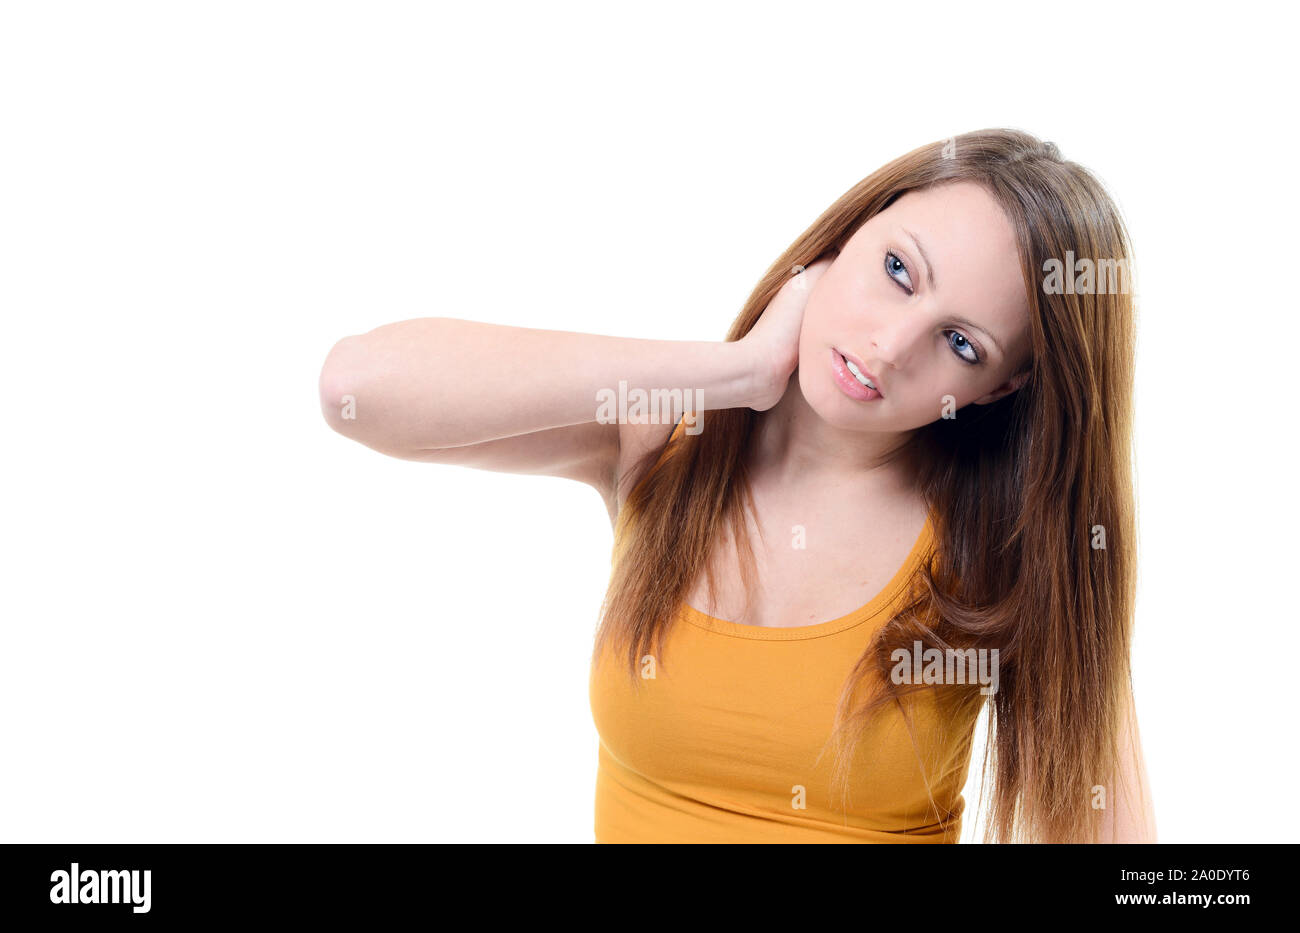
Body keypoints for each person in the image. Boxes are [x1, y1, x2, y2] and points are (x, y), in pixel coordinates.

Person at [319, 128, 1155, 843]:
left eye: (962, 344)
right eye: (898, 269)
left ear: (998, 390)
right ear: (848, 234)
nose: (893, 345)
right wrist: (741, 369)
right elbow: (358, 390)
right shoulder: (661, 441)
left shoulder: (1012, 551)